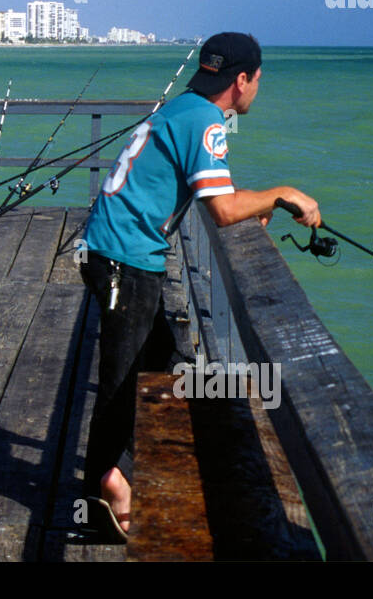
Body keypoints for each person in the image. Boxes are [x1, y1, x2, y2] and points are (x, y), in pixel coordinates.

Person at [79, 32, 321, 541]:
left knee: (161, 360)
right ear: (242, 80)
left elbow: (215, 189)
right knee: (123, 379)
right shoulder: (210, 121)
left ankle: (128, 472)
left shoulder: (184, 108)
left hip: (111, 248)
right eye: (257, 81)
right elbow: (223, 208)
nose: (257, 89)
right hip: (127, 257)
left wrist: (253, 204)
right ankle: (105, 487)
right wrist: (281, 195)